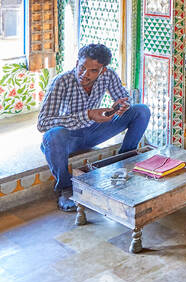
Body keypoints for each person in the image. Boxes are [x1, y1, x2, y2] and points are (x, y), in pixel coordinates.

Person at [37, 43, 150, 212]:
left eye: (93, 71)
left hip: (94, 131)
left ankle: (124, 161)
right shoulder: (61, 82)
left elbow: (123, 98)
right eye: (82, 67)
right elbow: (43, 123)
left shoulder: (108, 76)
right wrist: (88, 114)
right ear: (77, 63)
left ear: (102, 70)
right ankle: (65, 188)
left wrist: (122, 105)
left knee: (141, 111)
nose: (84, 74)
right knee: (53, 136)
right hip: (68, 138)